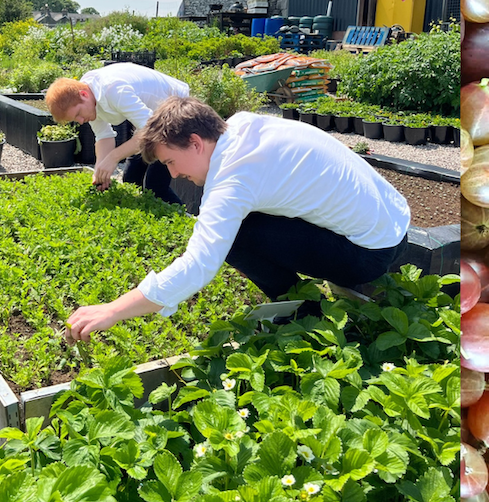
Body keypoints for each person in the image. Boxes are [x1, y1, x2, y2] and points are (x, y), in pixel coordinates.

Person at [66, 95, 410, 342]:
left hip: (370, 255)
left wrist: (112, 310)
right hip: (397, 228)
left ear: (196, 143)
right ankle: (305, 296)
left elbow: (199, 265)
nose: (172, 174)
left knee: (235, 236)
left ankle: (303, 309)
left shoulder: (234, 178)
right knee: (245, 221)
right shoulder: (243, 125)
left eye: (171, 162)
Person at [45, 63, 190, 203]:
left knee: (156, 187)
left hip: (175, 109)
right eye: (76, 119)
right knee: (131, 178)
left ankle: (188, 224)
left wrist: (113, 158)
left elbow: (153, 129)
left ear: (83, 95)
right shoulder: (89, 99)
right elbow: (104, 136)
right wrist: (100, 169)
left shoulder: (113, 90)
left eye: (79, 114)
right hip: (149, 119)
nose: (81, 121)